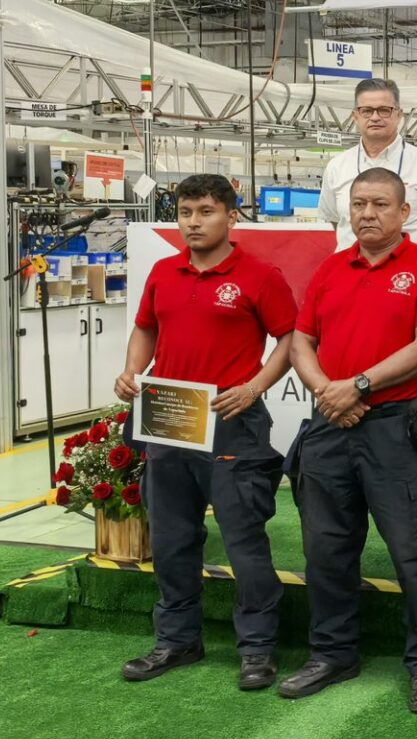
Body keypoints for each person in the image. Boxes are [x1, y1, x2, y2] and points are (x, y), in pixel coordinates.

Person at [281, 168, 417, 714]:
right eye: (358, 204)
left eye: (380, 204)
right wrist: (325, 391)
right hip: (330, 425)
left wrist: (357, 385)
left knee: (414, 551)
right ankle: (332, 653)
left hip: (398, 428)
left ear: (406, 213)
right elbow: (301, 341)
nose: (367, 214)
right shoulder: (331, 269)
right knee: (326, 550)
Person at [114, 174, 295, 691]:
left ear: (231, 216)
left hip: (232, 422)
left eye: (206, 211)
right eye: (186, 211)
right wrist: (133, 371)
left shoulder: (260, 276)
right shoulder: (163, 272)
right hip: (168, 418)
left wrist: (255, 386)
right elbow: (146, 326)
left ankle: (258, 648)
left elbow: (289, 338)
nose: (194, 221)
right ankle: (176, 640)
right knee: (172, 538)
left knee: (243, 541)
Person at [319, 78, 417, 254]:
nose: (375, 117)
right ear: (355, 116)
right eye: (367, 111)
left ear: (399, 114)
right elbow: (337, 221)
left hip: (408, 275)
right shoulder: (336, 167)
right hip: (354, 273)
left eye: (384, 110)